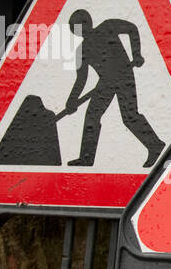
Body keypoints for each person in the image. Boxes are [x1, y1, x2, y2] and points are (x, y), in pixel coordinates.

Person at [63, 9, 164, 168]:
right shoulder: (82, 50)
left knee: (129, 116)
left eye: (81, 25)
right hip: (105, 83)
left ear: (88, 22)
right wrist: (71, 100)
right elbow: (81, 79)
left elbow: (131, 28)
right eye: (75, 28)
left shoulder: (107, 27)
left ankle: (155, 145)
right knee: (92, 116)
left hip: (124, 75)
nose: (80, 30)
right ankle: (86, 158)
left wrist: (136, 54)